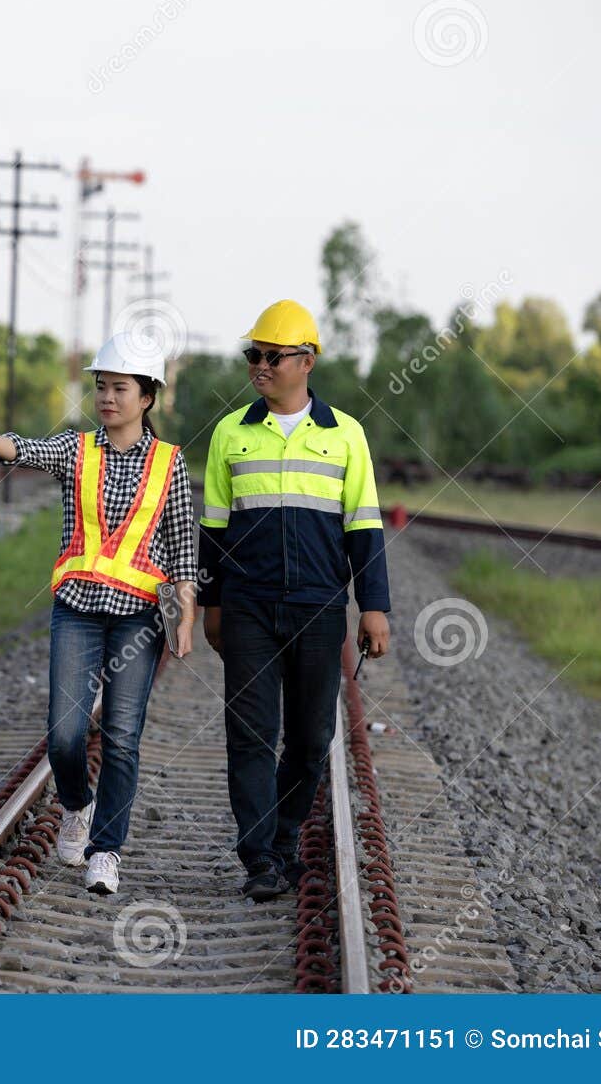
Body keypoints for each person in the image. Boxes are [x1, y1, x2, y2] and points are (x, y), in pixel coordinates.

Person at [0, 332, 197, 895]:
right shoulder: (77, 450)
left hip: (137, 618)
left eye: (120, 388)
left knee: (122, 736)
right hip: (77, 610)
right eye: (102, 386)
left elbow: (183, 545)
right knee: (64, 735)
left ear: (147, 397)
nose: (107, 397)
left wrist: (185, 615)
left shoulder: (169, 465)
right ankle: (77, 807)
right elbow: (28, 449)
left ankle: (106, 851)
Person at [197, 300, 392, 902]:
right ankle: (258, 857)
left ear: (305, 362)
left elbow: (364, 525)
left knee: (309, 739)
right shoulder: (232, 432)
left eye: (270, 356)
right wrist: (212, 604)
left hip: (317, 607)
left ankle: (282, 839)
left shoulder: (345, 435)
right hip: (249, 604)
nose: (258, 365)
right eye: (252, 354)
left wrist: (374, 606)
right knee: (250, 734)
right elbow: (212, 530)